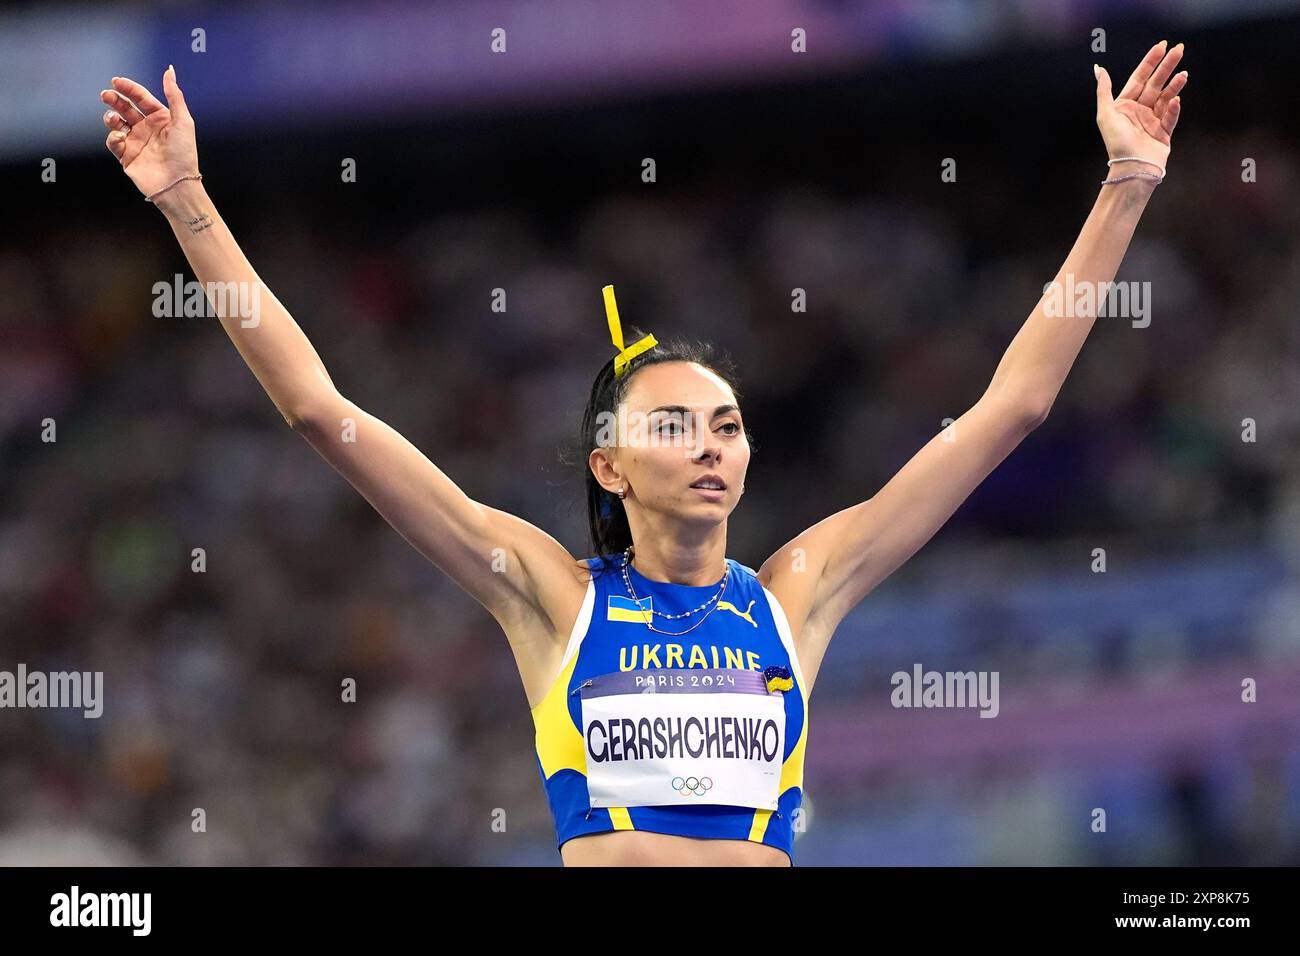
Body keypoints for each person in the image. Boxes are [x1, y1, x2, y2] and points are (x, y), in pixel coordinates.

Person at [99, 41, 1187, 866]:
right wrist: (187, 200)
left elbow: (1012, 408)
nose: (709, 446)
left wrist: (1126, 185)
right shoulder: (550, 597)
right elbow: (316, 409)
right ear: (609, 466)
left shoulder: (797, 597)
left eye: (727, 425)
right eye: (672, 426)